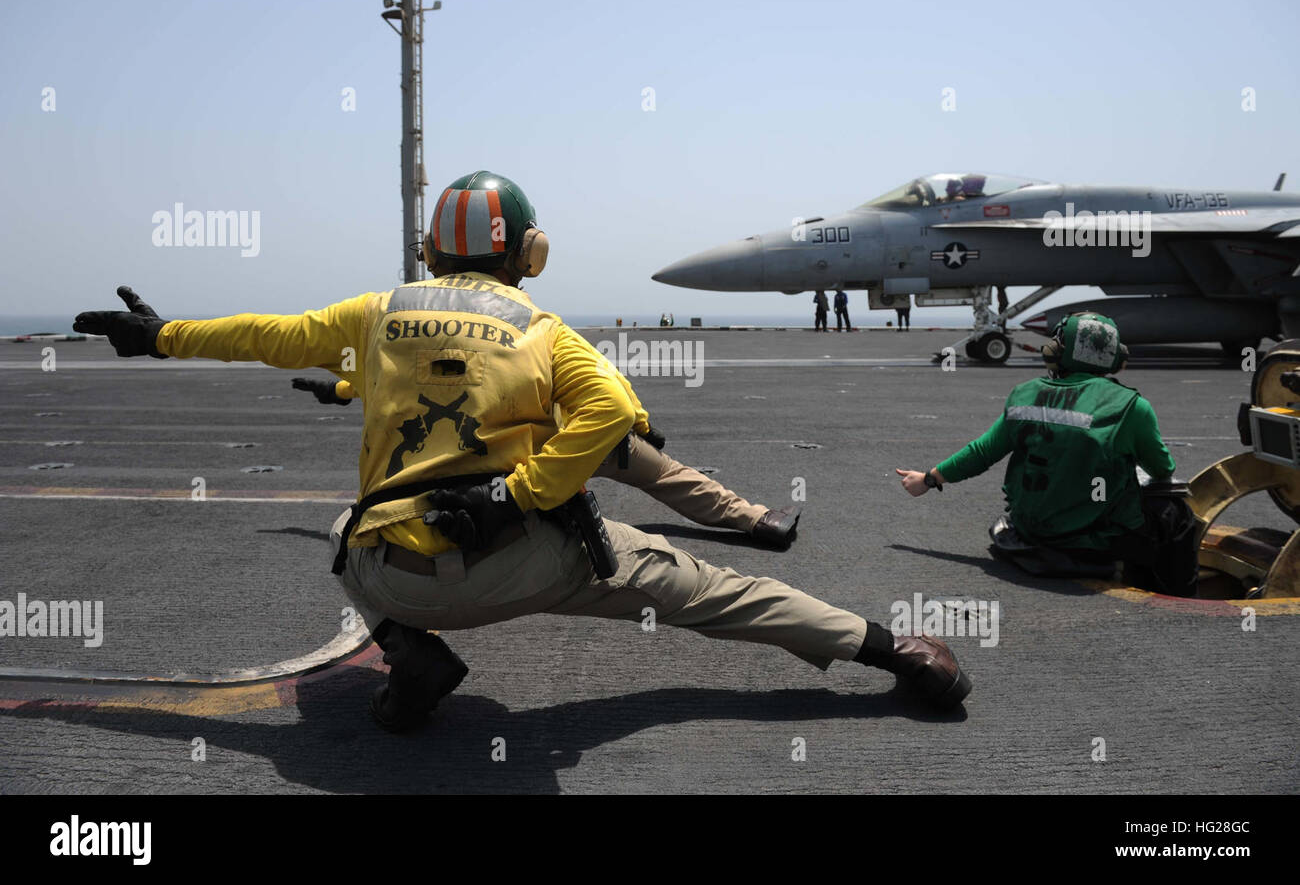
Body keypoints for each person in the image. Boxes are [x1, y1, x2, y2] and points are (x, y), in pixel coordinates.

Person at [75, 170, 971, 732]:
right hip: (533, 562)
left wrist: (160, 335)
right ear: (528, 251)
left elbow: (264, 334)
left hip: (396, 570)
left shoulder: (378, 312)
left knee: (345, 532)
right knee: (717, 592)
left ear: (431, 249)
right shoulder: (546, 331)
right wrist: (518, 493)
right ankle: (894, 653)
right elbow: (615, 411)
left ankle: (405, 652)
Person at [293, 370, 803, 548]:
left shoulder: (470, 352)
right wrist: (643, 424)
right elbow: (611, 385)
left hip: (536, 456)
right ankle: (760, 521)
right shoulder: (547, 335)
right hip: (599, 438)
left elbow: (400, 385)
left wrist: (339, 390)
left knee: (507, 500)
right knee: (674, 478)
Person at [894, 312, 1196, 595]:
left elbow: (983, 451)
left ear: (1058, 352)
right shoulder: (1132, 407)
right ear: (1116, 359)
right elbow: (1162, 469)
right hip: (1092, 540)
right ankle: (1179, 596)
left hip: (1028, 533)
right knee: (1176, 512)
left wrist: (928, 479)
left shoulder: (1025, 394)